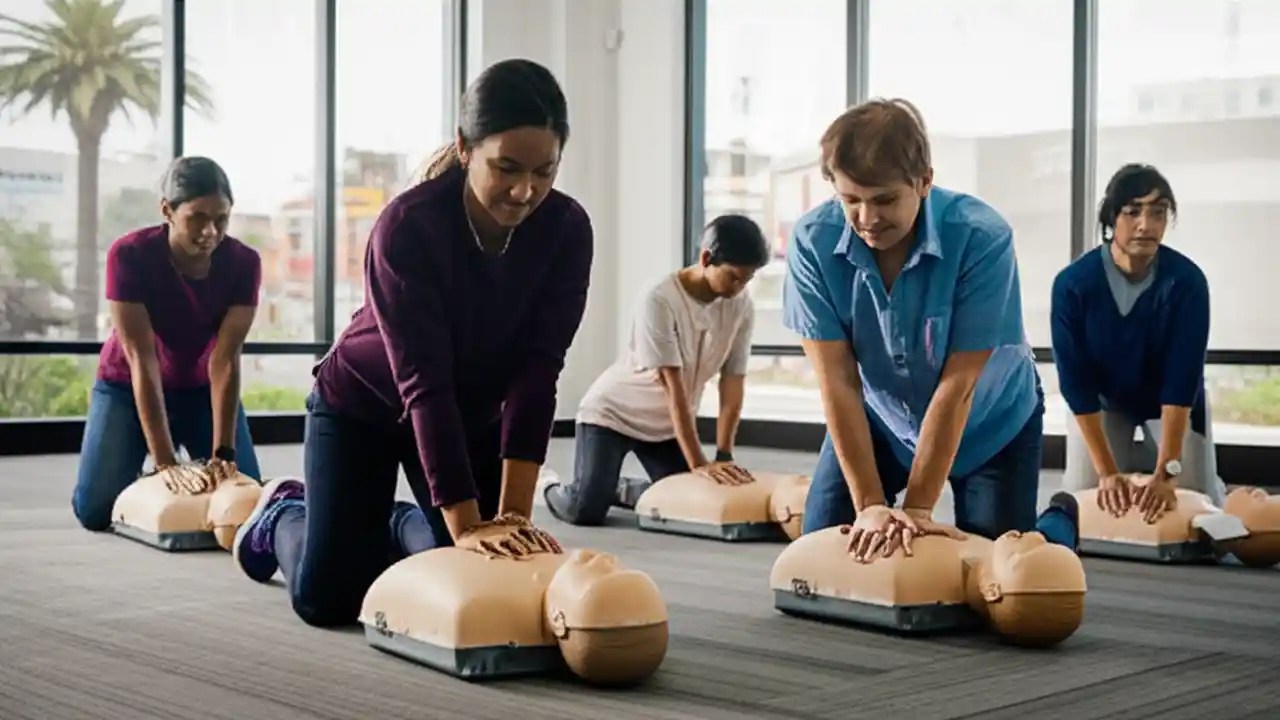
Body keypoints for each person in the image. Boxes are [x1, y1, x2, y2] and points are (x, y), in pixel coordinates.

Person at [231, 58, 592, 627]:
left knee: (468, 577)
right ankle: (285, 514)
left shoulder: (567, 229)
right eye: (507, 168)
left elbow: (538, 370)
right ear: (466, 147)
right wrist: (470, 524)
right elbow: (424, 384)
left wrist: (512, 520)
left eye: (545, 171)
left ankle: (395, 521)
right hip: (363, 406)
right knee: (329, 600)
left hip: (466, 414)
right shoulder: (408, 225)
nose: (526, 191)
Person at [781, 98, 1078, 563]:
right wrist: (872, 507)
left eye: (884, 200)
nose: (866, 219)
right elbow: (837, 381)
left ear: (924, 182)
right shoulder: (811, 241)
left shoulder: (982, 237)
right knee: (823, 552)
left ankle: (1059, 519)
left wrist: (918, 508)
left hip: (989, 421)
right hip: (883, 421)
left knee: (1007, 566)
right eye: (851, 200)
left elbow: (958, 386)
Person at [72, 156, 263, 531]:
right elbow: (143, 361)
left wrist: (223, 452)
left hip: (200, 389)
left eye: (221, 218)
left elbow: (225, 361)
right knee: (95, 510)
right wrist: (165, 465)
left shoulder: (244, 263)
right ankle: (148, 464)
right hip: (127, 386)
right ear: (167, 211)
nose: (210, 231)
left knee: (245, 503)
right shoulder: (129, 256)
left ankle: (184, 460)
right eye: (197, 217)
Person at [543, 214, 771, 525]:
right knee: (586, 509)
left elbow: (732, 383)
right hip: (613, 414)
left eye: (748, 279)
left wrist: (723, 454)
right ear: (706, 258)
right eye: (733, 277)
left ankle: (615, 486)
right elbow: (674, 389)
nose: (739, 287)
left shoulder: (740, 304)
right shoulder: (660, 299)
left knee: (687, 505)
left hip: (665, 427)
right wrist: (698, 464)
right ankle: (547, 484)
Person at [1051, 163, 1224, 522]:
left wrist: (1168, 472)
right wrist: (1107, 472)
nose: (1146, 224)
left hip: (1172, 406)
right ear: (1112, 217)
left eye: (1158, 213)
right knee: (1083, 504)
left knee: (1196, 507)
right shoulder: (1072, 285)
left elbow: (1181, 383)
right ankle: (1129, 465)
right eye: (1132, 212)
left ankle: (1196, 475)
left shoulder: (1187, 283)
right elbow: (1075, 385)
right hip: (1104, 404)